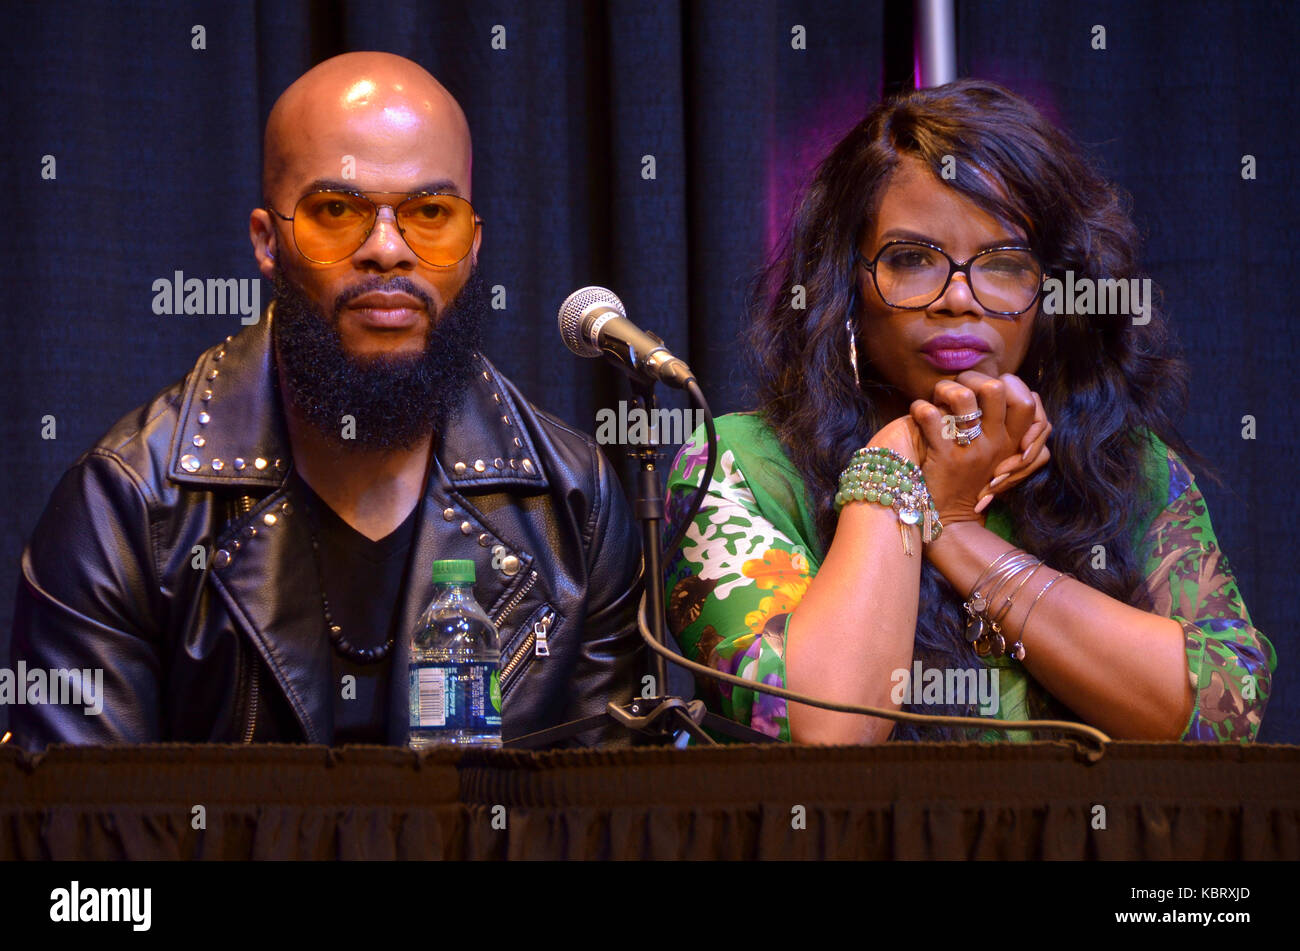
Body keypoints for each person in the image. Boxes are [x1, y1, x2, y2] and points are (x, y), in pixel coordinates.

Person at [10, 52, 643, 748]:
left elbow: (601, 820)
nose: (387, 250)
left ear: (473, 246)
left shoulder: (575, 506)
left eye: (430, 213)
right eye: (337, 210)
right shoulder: (125, 510)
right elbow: (89, 833)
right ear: (266, 241)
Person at [664, 79, 1275, 745]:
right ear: (847, 285)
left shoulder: (1129, 467)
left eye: (1005, 263)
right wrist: (895, 463)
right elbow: (823, 731)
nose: (959, 298)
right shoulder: (737, 465)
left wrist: (956, 530)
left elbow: (1220, 714)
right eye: (911, 259)